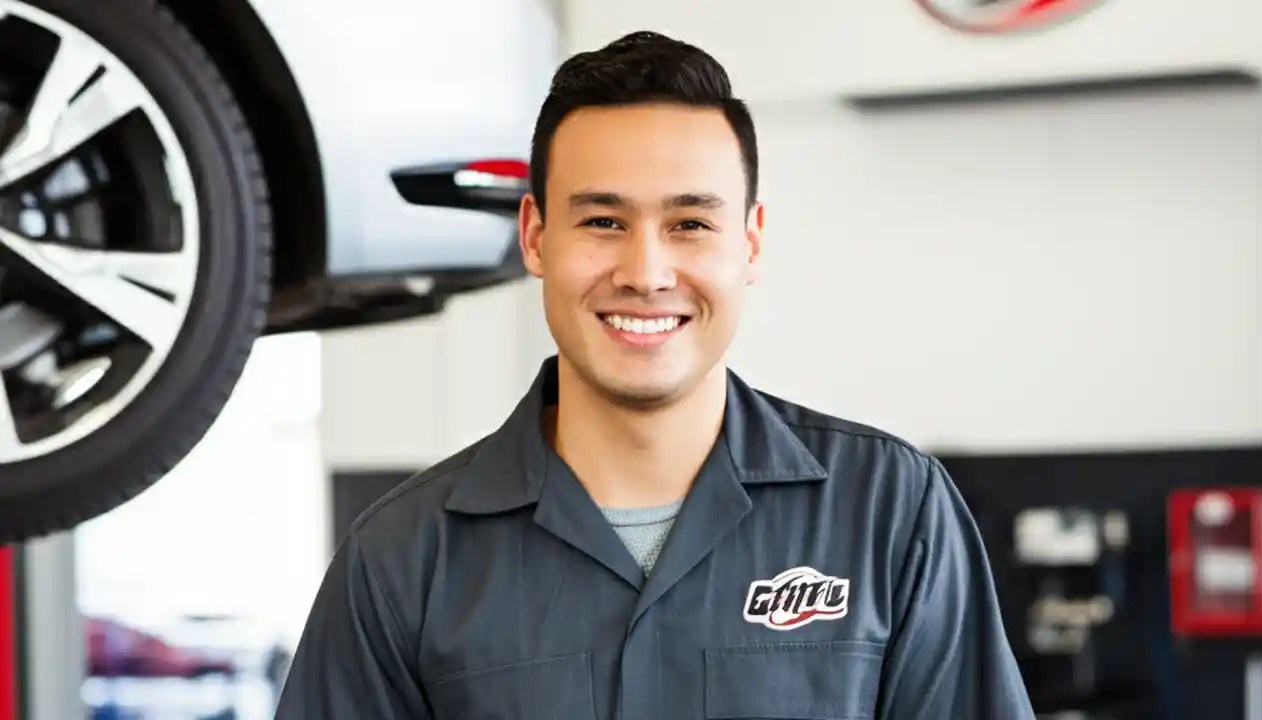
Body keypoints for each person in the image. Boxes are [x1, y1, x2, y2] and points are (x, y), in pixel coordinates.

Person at [274, 30, 1035, 720]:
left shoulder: (891, 514)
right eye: (603, 221)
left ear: (750, 242)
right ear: (536, 237)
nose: (645, 271)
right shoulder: (404, 560)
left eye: (690, 224)